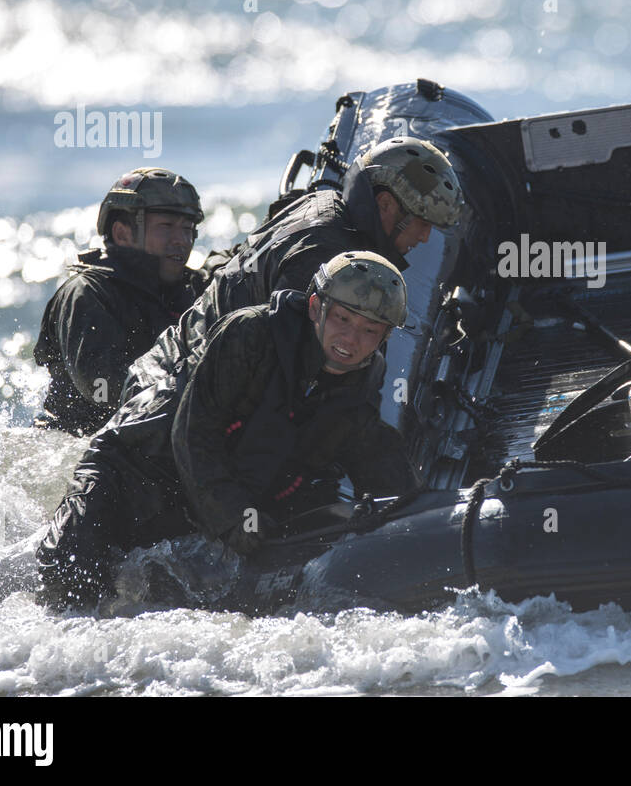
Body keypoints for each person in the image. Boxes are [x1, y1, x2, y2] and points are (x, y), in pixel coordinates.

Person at [36, 251, 419, 611]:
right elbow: (192, 433)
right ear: (316, 308)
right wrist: (235, 517)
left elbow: (370, 448)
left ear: (385, 337)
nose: (351, 341)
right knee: (68, 576)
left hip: (204, 501)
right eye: (343, 320)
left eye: (370, 330)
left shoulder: (364, 376)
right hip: (134, 473)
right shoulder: (250, 334)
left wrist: (413, 513)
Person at [193, 135, 463, 335]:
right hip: (182, 380)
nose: (425, 237)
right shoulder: (325, 255)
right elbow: (278, 359)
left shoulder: (328, 204)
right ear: (386, 205)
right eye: (422, 223)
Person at [32, 167, 205, 436]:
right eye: (166, 227)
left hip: (155, 444)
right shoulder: (88, 294)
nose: (181, 241)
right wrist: (186, 385)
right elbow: (100, 388)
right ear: (123, 233)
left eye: (187, 229)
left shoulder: (187, 289)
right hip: (80, 449)